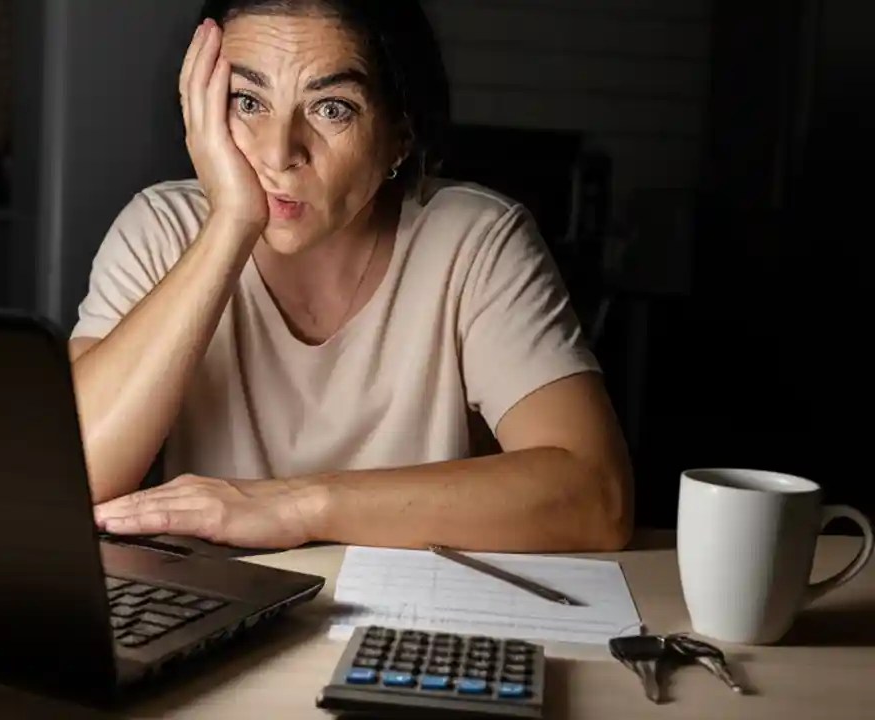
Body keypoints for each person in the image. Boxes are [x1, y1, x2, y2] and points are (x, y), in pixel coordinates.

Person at [67, 0, 634, 553]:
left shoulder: (476, 241)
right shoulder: (161, 229)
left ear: (399, 136)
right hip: (218, 616)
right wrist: (230, 224)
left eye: (331, 108)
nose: (279, 152)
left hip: (415, 618)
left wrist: (297, 506)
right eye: (247, 100)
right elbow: (69, 478)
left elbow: (596, 496)